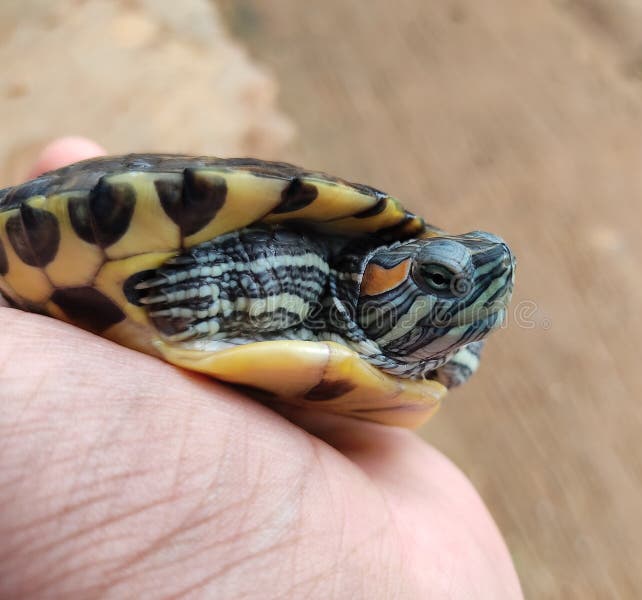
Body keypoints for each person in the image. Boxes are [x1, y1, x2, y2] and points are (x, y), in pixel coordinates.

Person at [0, 138, 524, 598]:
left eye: (487, 304)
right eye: (436, 277)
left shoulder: (425, 356)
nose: (474, 303)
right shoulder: (306, 268)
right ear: (367, 276)